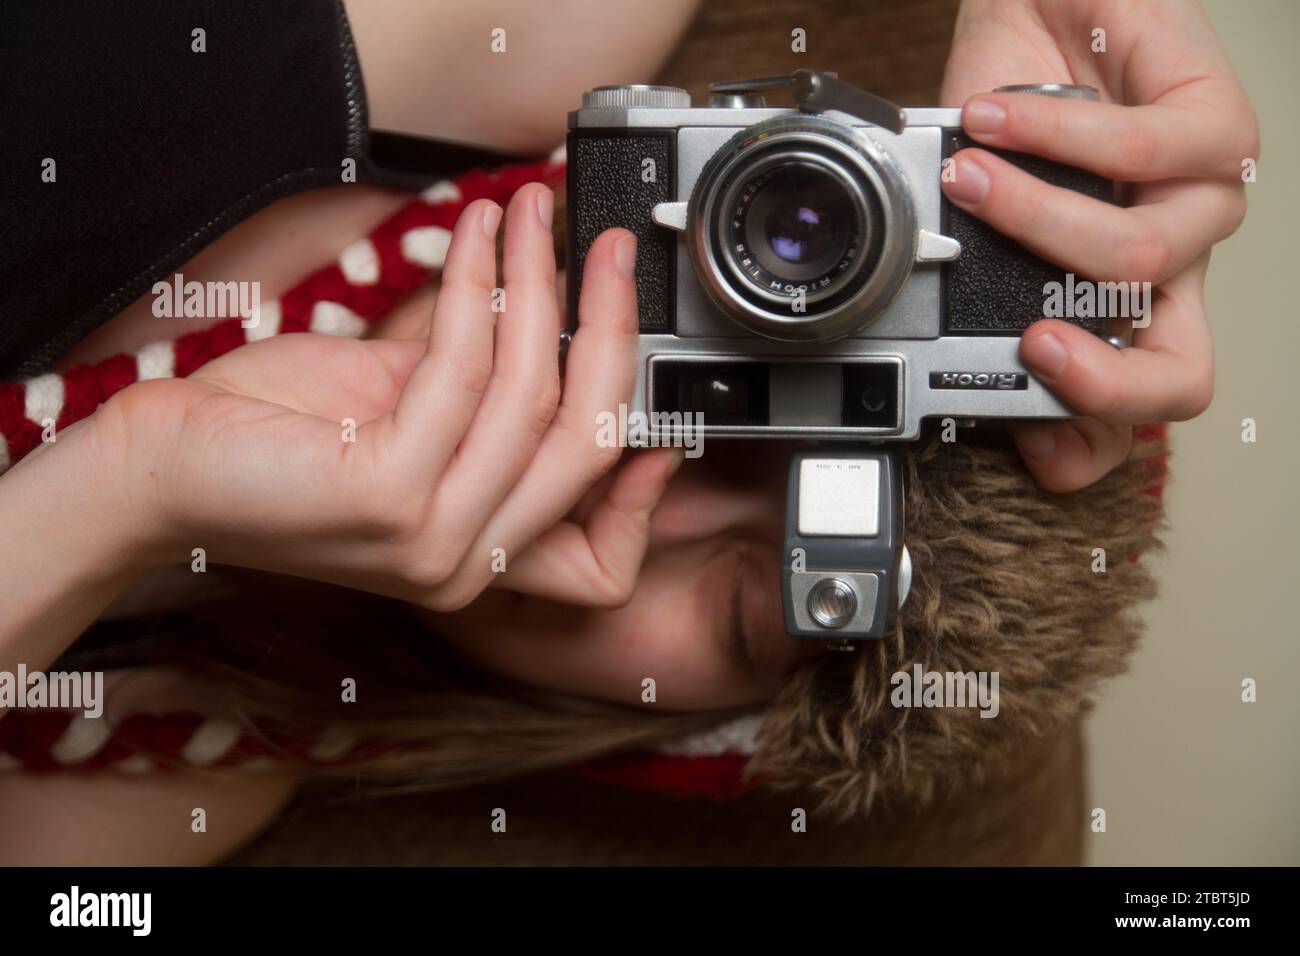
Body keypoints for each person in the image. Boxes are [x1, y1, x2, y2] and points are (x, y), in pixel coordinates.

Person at [0, 0, 1256, 864]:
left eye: (748, 611)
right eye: (740, 396)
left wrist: (127, 492)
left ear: (665, 736)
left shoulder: (176, 773)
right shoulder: (525, 39)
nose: (654, 494)